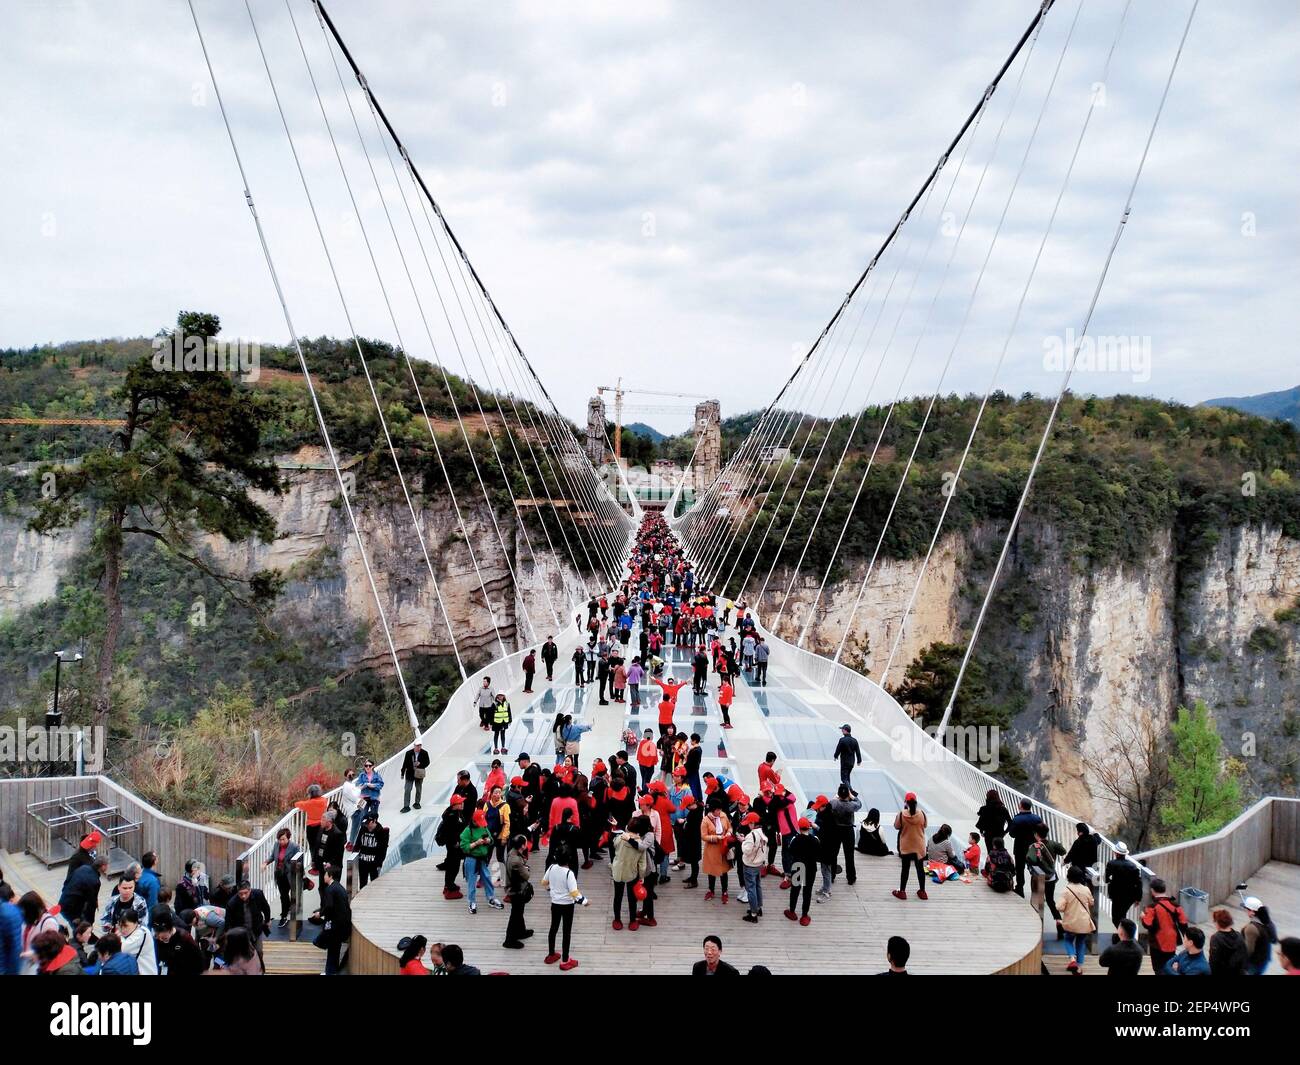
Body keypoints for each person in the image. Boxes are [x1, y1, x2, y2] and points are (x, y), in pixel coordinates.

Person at [542, 852, 587, 971]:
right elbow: (574, 893)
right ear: (568, 860)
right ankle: (565, 960)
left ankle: (551, 954)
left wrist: (551, 891)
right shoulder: (569, 873)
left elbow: (544, 883)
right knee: (566, 932)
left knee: (553, 928)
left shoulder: (551, 867)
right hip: (567, 906)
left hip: (555, 904)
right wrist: (585, 901)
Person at [610, 815, 654, 931]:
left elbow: (614, 845)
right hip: (632, 873)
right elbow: (642, 863)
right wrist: (641, 876)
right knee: (632, 898)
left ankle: (617, 919)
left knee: (617, 897)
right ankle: (632, 920)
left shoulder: (620, 838)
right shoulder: (640, 844)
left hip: (618, 871)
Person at [1140, 877, 1189, 976]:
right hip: (1172, 941)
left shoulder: (1152, 907)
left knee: (1158, 968)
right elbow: (1184, 923)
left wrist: (1143, 917)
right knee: (1170, 965)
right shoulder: (1176, 905)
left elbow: (1147, 924)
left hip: (1157, 943)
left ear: (1152, 891)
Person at [459, 809, 504, 915]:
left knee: (487, 878)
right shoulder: (467, 831)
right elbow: (464, 847)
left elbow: (491, 839)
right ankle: (472, 902)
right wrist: (476, 843)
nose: (481, 824)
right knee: (472, 882)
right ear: (474, 821)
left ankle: (491, 898)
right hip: (471, 859)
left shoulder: (483, 827)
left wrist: (489, 841)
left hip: (482, 859)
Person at [315, 864, 351, 975]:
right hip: (343, 924)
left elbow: (329, 906)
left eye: (325, 874)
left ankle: (330, 972)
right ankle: (333, 970)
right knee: (335, 948)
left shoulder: (330, 890)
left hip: (335, 924)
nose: (324, 876)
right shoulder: (339, 887)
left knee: (332, 948)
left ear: (330, 876)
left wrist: (320, 913)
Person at [1059, 866, 1096, 974]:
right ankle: (1079, 967)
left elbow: (1059, 907)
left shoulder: (1066, 890)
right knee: (1081, 942)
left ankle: (1072, 959)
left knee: (1068, 939)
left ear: (1068, 876)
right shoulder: (1086, 889)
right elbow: (1092, 902)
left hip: (1071, 922)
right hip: (1084, 922)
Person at [892, 792, 928, 901]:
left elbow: (896, 826)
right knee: (920, 869)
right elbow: (925, 825)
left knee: (905, 869)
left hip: (906, 846)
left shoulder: (902, 814)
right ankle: (922, 891)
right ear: (916, 802)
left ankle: (902, 892)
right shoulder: (922, 814)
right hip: (919, 846)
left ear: (906, 802)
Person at [223, 880, 271, 961]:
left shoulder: (258, 895)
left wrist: (267, 920)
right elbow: (228, 922)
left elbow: (266, 908)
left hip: (256, 929)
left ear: (250, 890)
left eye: (246, 893)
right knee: (245, 955)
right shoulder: (232, 903)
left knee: (259, 951)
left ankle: (260, 970)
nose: (243, 896)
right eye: (240, 894)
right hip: (242, 933)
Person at [263, 827, 301, 928]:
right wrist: (265, 863)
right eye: (279, 839)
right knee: (283, 895)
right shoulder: (276, 845)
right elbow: (272, 857)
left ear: (288, 838)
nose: (281, 841)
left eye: (283, 839)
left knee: (292, 895)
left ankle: (290, 912)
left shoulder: (294, 847)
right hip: (279, 874)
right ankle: (284, 915)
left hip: (290, 874)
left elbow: (299, 861)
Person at [784, 817, 818, 925]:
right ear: (809, 827)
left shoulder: (795, 839)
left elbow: (790, 851)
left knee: (795, 890)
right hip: (811, 868)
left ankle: (792, 911)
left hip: (798, 866)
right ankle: (804, 916)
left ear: (799, 828)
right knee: (807, 892)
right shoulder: (815, 840)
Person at [59, 855, 108, 927]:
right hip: (72, 910)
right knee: (80, 930)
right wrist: (90, 923)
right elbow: (91, 903)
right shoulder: (95, 881)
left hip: (63, 902)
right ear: (103, 866)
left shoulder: (83, 868)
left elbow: (67, 882)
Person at [1006, 799, 1042, 896]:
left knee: (1020, 869)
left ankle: (1020, 889)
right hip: (1033, 848)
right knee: (1035, 868)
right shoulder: (1037, 818)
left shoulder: (1017, 819)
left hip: (1020, 847)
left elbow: (1012, 834)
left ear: (1020, 806)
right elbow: (1041, 832)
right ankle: (1037, 893)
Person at [1103, 842, 1144, 929]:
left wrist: (1111, 880)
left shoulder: (1111, 864)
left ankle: (1123, 935)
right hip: (1129, 896)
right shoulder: (1133, 866)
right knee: (1122, 914)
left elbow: (1105, 879)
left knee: (1116, 917)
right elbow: (1139, 882)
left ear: (1116, 853)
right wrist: (1138, 898)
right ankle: (1123, 935)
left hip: (1116, 895)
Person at [503, 834, 533, 949]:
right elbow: (526, 876)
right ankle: (509, 940)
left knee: (519, 912)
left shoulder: (512, 852)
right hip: (516, 890)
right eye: (525, 842)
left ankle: (521, 931)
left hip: (515, 887)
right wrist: (526, 868)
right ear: (522, 845)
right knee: (515, 914)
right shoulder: (516, 860)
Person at [436, 795, 468, 900]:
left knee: (454, 865)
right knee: (452, 866)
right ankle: (449, 886)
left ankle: (450, 883)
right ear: (455, 805)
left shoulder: (457, 813)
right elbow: (450, 832)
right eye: (460, 802)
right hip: (453, 846)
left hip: (456, 845)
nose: (463, 803)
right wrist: (455, 843)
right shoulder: (451, 816)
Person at [701, 802, 732, 902]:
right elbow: (703, 836)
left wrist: (728, 833)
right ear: (712, 811)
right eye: (717, 810)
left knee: (724, 871)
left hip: (723, 847)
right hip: (712, 849)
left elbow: (729, 827)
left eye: (720, 810)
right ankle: (711, 890)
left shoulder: (723, 816)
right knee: (711, 871)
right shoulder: (705, 820)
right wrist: (716, 837)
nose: (719, 812)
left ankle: (724, 891)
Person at [740, 811, 767, 922]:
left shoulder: (751, 835)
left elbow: (746, 850)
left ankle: (753, 914)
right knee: (757, 886)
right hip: (758, 864)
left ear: (752, 823)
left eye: (749, 823)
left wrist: (743, 841)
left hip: (750, 865)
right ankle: (758, 908)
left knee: (751, 889)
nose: (748, 825)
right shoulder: (762, 833)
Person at [296, 783, 328, 874]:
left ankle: (315, 867)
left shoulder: (308, 803)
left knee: (313, 847)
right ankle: (322, 864)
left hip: (311, 827)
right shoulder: (324, 800)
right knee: (321, 845)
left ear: (310, 793)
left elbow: (297, 804)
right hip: (322, 826)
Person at [1242, 896, 1279, 975]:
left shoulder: (1251, 928)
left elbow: (1248, 950)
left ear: (1252, 912)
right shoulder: (1267, 922)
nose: (1246, 911)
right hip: (1263, 962)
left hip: (1253, 964)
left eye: (1247, 909)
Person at [116, 910, 157, 976]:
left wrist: (119, 937)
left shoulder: (141, 933)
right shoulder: (135, 931)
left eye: (126, 926)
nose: (122, 930)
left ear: (136, 923)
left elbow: (122, 949)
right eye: (120, 926)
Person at [1208, 908, 1249, 976]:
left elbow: (1214, 962)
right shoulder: (1239, 936)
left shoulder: (1216, 939)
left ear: (1218, 923)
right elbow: (1244, 957)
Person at [356, 811, 390, 888]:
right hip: (362, 862)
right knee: (362, 885)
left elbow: (383, 850)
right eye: (366, 823)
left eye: (369, 823)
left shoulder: (381, 832)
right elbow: (358, 843)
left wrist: (379, 864)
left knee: (374, 885)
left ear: (374, 821)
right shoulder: (363, 829)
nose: (367, 825)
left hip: (374, 864)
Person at [399, 742, 431, 812]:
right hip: (410, 774)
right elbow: (405, 764)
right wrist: (402, 773)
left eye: (419, 746)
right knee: (407, 789)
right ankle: (406, 806)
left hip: (419, 774)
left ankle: (417, 803)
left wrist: (420, 764)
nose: (418, 747)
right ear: (414, 746)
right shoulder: (408, 753)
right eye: (417, 746)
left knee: (418, 788)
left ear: (421, 746)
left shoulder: (424, 753)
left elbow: (427, 762)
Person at [340, 768, 363, 848]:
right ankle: (351, 844)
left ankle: (352, 843)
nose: (351, 776)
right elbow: (354, 797)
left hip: (357, 808)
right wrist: (359, 789)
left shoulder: (351, 784)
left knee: (357, 827)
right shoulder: (347, 786)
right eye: (349, 775)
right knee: (355, 827)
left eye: (353, 774)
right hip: (354, 810)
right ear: (345, 776)